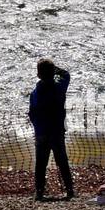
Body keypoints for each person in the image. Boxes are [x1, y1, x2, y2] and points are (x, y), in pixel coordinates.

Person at [28, 58, 74, 200]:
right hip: (57, 131)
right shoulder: (59, 88)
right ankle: (69, 190)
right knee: (62, 162)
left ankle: (40, 192)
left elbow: (32, 113)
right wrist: (56, 70)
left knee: (41, 164)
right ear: (52, 73)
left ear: (38, 75)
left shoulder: (35, 94)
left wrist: (37, 127)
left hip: (42, 132)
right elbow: (66, 75)